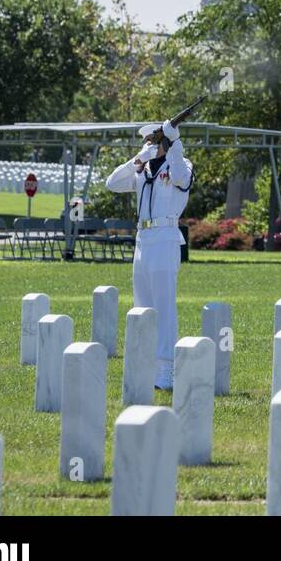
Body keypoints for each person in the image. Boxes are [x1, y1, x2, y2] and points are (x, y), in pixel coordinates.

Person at [105, 119, 194, 390]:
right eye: (146, 142)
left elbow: (181, 177)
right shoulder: (142, 171)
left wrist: (175, 142)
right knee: (142, 306)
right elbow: (112, 183)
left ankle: (167, 370)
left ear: (164, 143)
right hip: (142, 240)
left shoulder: (180, 164)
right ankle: (147, 364)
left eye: (152, 141)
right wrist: (138, 159)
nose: (148, 145)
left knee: (164, 307)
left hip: (165, 238)